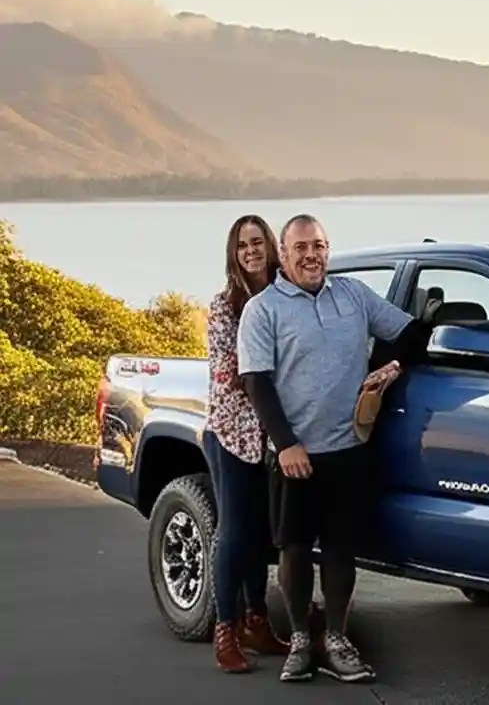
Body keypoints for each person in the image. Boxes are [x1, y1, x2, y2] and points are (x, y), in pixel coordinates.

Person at [237, 214, 432, 683]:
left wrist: (394, 366)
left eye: (319, 246)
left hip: (348, 448)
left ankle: (338, 639)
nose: (311, 255)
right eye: (301, 247)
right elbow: (257, 384)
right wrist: (286, 445)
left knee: (342, 550)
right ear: (283, 255)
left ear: (328, 250)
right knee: (296, 550)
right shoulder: (263, 310)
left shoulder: (354, 296)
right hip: (295, 454)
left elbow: (413, 334)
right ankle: (302, 640)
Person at [202, 214, 292, 673]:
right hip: (232, 433)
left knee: (261, 533)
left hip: (274, 437)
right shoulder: (224, 306)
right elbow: (225, 371)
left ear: (271, 246)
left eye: (258, 242)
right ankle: (226, 629)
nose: (251, 251)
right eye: (242, 245)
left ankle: (257, 620)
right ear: (233, 254)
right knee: (234, 532)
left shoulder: (285, 297)